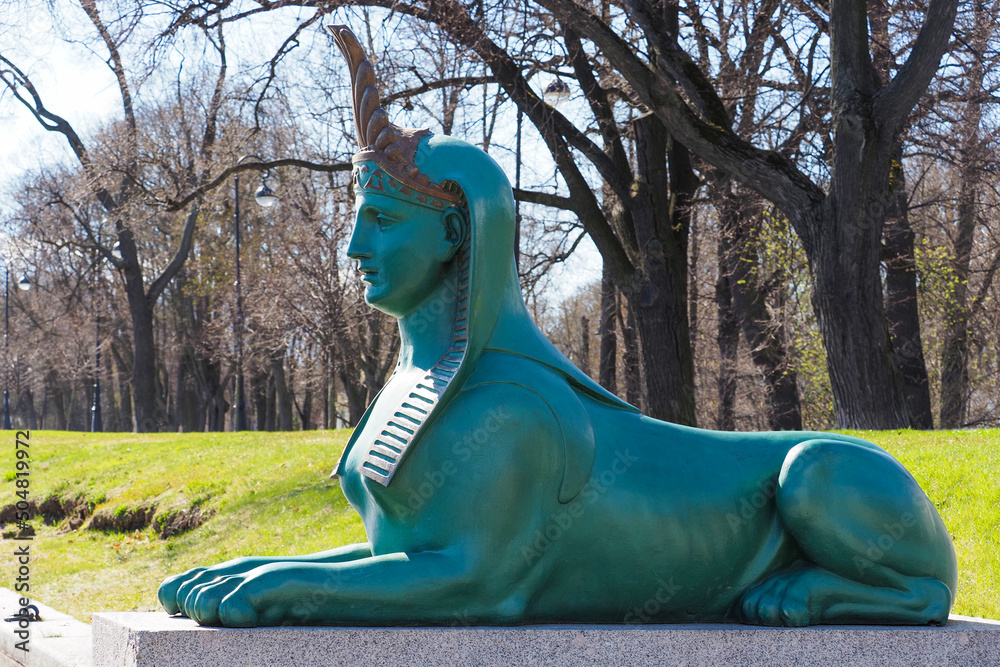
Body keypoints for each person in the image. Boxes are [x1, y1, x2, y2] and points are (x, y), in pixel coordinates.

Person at [157, 25, 957, 628]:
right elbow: (402, 554)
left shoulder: (513, 414)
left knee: (812, 472)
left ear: (453, 235)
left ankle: (893, 587)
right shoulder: (445, 399)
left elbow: (477, 584)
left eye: (383, 220)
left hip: (839, 494)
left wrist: (288, 589)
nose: (357, 245)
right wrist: (261, 567)